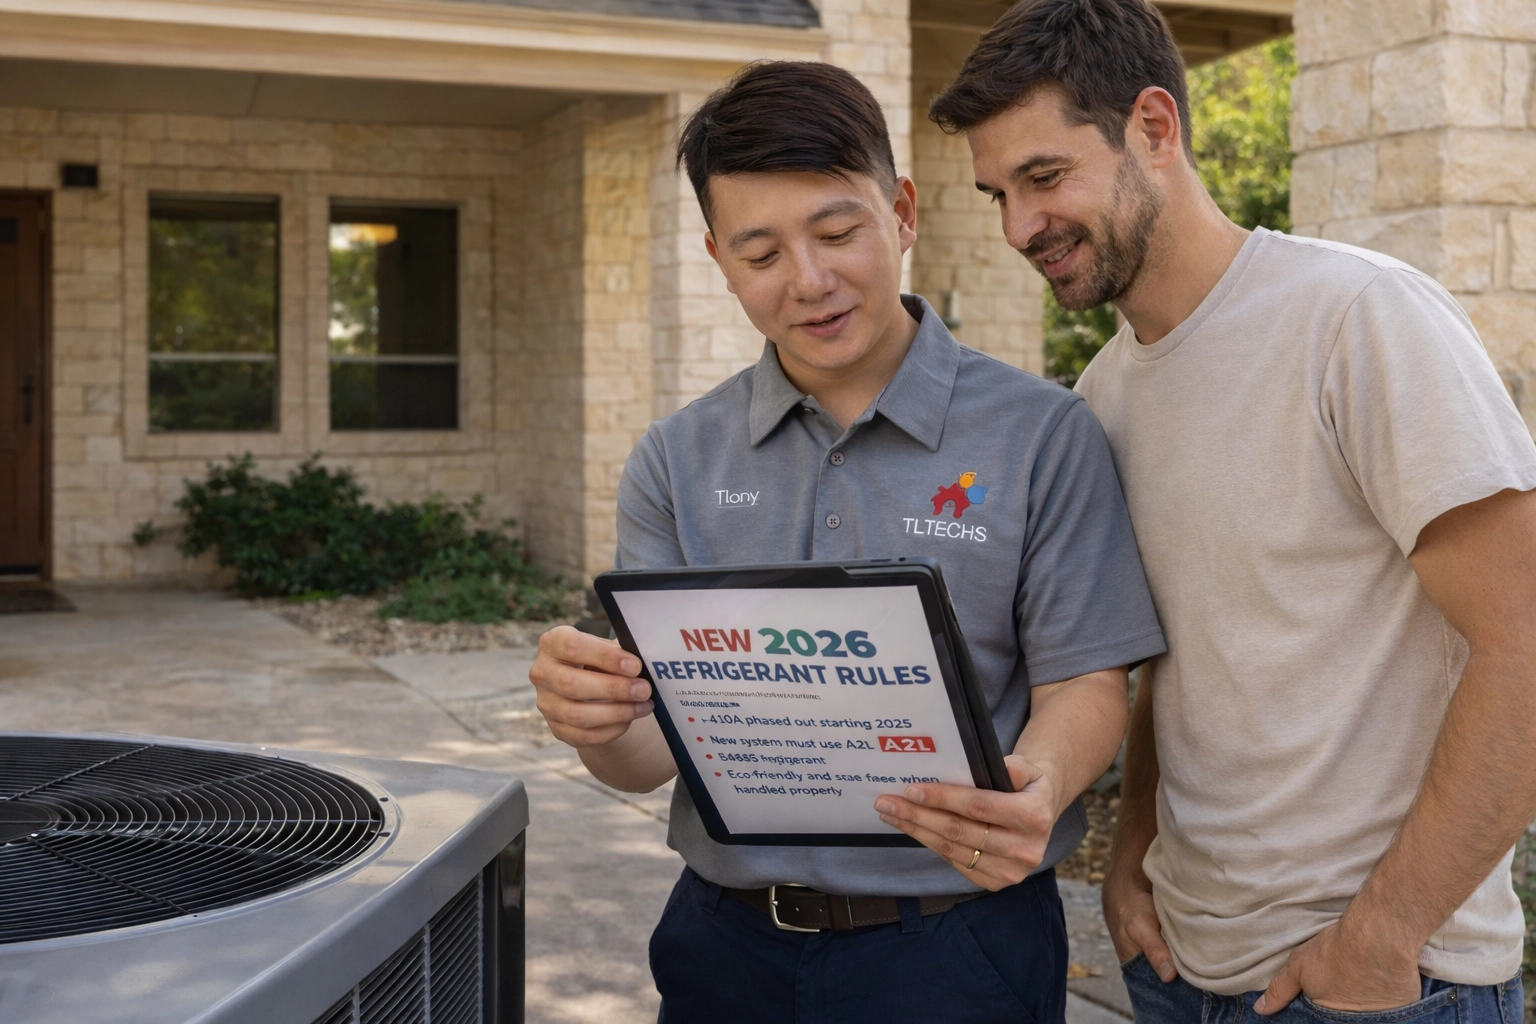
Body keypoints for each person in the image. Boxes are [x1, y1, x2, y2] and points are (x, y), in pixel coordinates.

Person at [930, 0, 1536, 1020]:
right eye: (998, 194)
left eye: (1044, 177)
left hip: (1376, 981)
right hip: (1176, 964)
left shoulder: (1358, 318)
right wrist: (1130, 860)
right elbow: (1177, 654)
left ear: (1155, 131)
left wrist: (1384, 932)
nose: (1019, 228)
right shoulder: (1105, 398)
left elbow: (1524, 639)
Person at [527, 60, 1167, 1022]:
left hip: (958, 946)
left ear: (901, 212)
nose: (810, 282)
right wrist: (596, 720)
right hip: (723, 944)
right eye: (761, 254)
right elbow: (649, 753)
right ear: (717, 259)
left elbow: (1085, 682)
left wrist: (1035, 788)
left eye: (837, 232)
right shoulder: (675, 459)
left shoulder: (1042, 434)